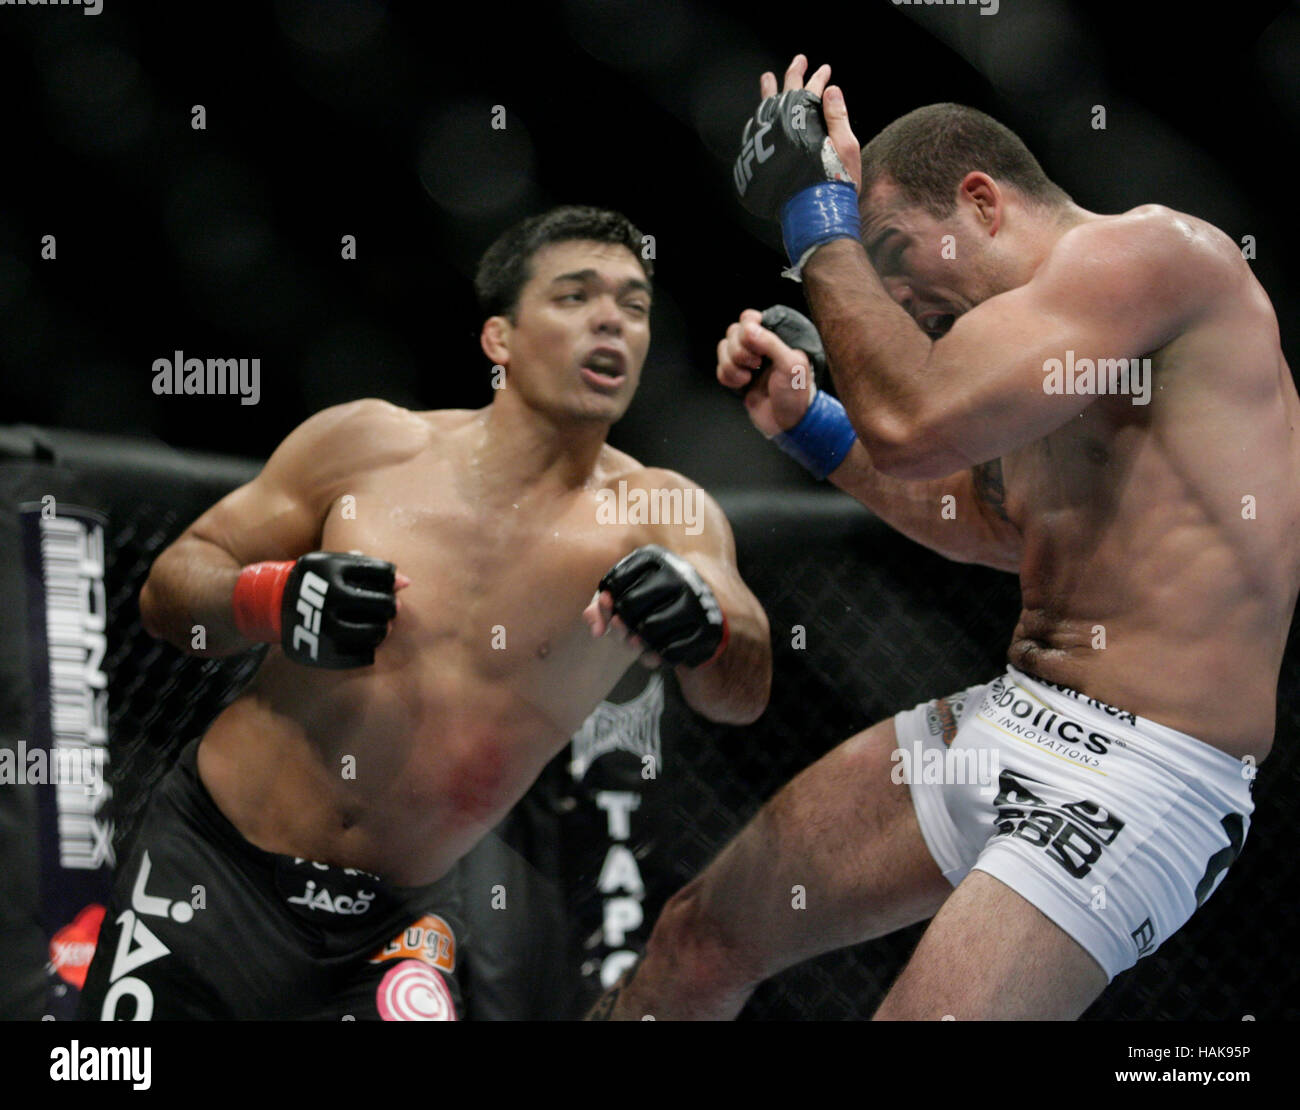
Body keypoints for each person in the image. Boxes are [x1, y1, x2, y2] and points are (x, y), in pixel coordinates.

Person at [588, 56, 1300, 1020]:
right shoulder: (1042, 356)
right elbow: (985, 522)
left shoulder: (1152, 257)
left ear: (982, 203)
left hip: (1143, 773)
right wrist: (813, 425)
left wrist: (816, 214)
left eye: (896, 252)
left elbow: (913, 423)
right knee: (698, 939)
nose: (903, 305)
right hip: (1015, 714)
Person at [79, 205, 771, 1020]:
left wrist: (705, 626)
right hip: (211, 865)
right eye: (575, 296)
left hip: (395, 925)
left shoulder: (664, 513)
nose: (611, 320)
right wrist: (271, 598)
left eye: (635, 304)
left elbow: (742, 688)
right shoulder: (369, 446)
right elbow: (170, 591)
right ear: (499, 338)